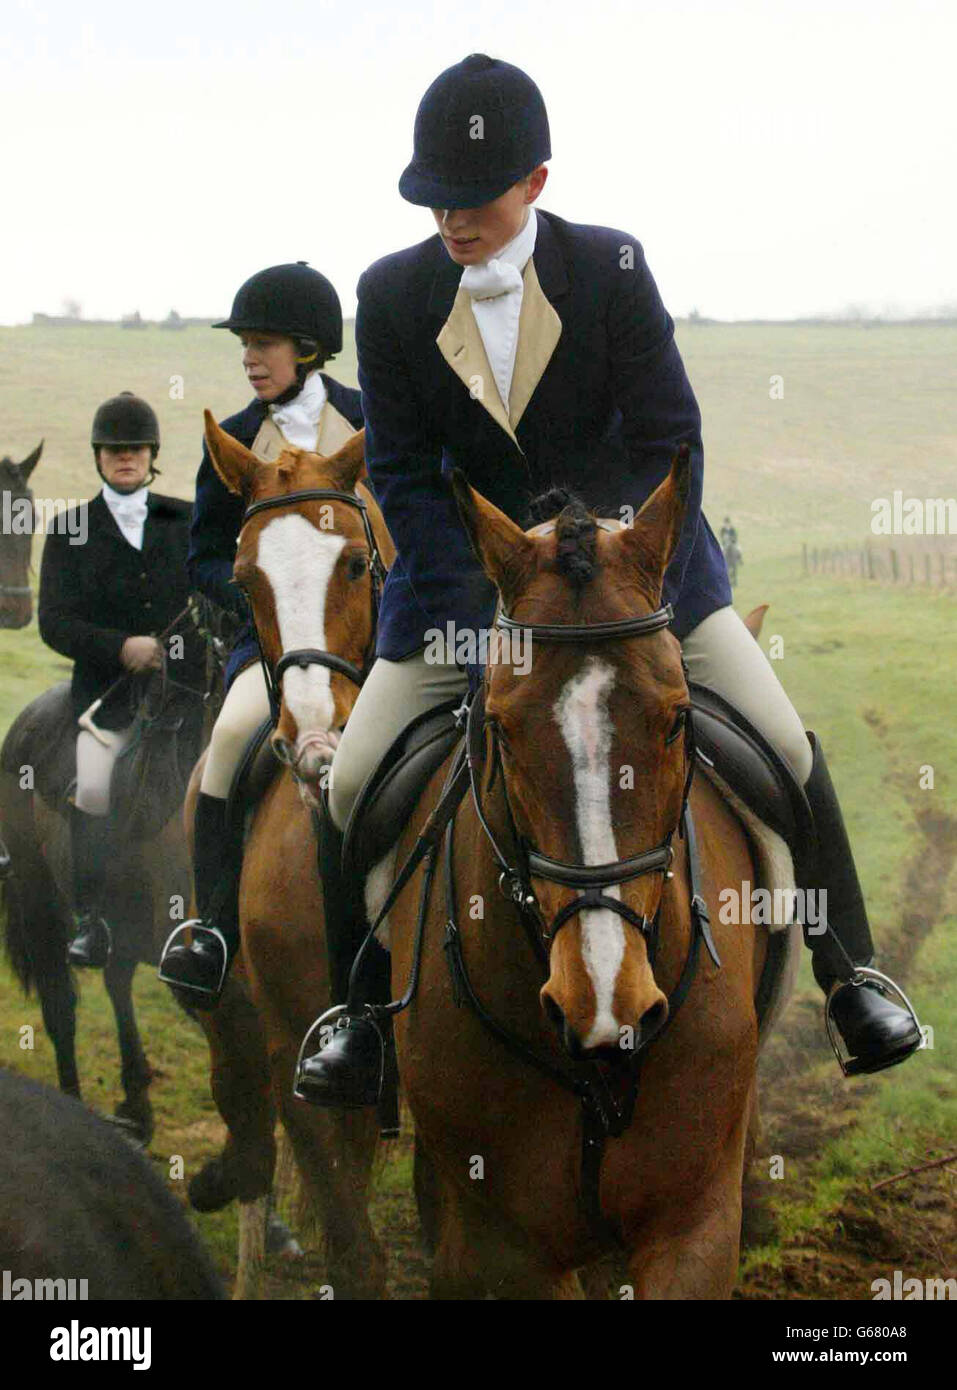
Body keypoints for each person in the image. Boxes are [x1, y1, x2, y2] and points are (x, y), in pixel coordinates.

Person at [296, 54, 922, 1105]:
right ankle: (356, 1013)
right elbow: (400, 470)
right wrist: (488, 607)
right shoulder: (391, 294)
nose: (453, 219)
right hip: (469, 600)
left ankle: (848, 969)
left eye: (475, 199)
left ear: (535, 183)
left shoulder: (614, 268)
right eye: (436, 198)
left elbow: (671, 439)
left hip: (641, 582)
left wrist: (622, 571)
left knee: (782, 741)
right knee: (351, 782)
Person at [157, 262, 363, 1006]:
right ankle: (212, 925)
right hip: (272, 644)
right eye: (244, 344)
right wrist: (266, 602)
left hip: (365, 643)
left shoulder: (367, 421)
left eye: (263, 343)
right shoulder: (237, 441)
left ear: (307, 350)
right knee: (230, 740)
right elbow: (205, 556)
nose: (249, 357)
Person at [38, 393, 201, 967]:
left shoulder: (185, 519)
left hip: (185, 692)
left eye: (135, 449)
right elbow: (53, 622)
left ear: (151, 454)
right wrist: (120, 647)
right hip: (106, 699)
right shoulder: (71, 529)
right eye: (114, 450)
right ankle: (93, 918)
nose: (125, 458)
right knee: (94, 780)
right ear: (99, 457)